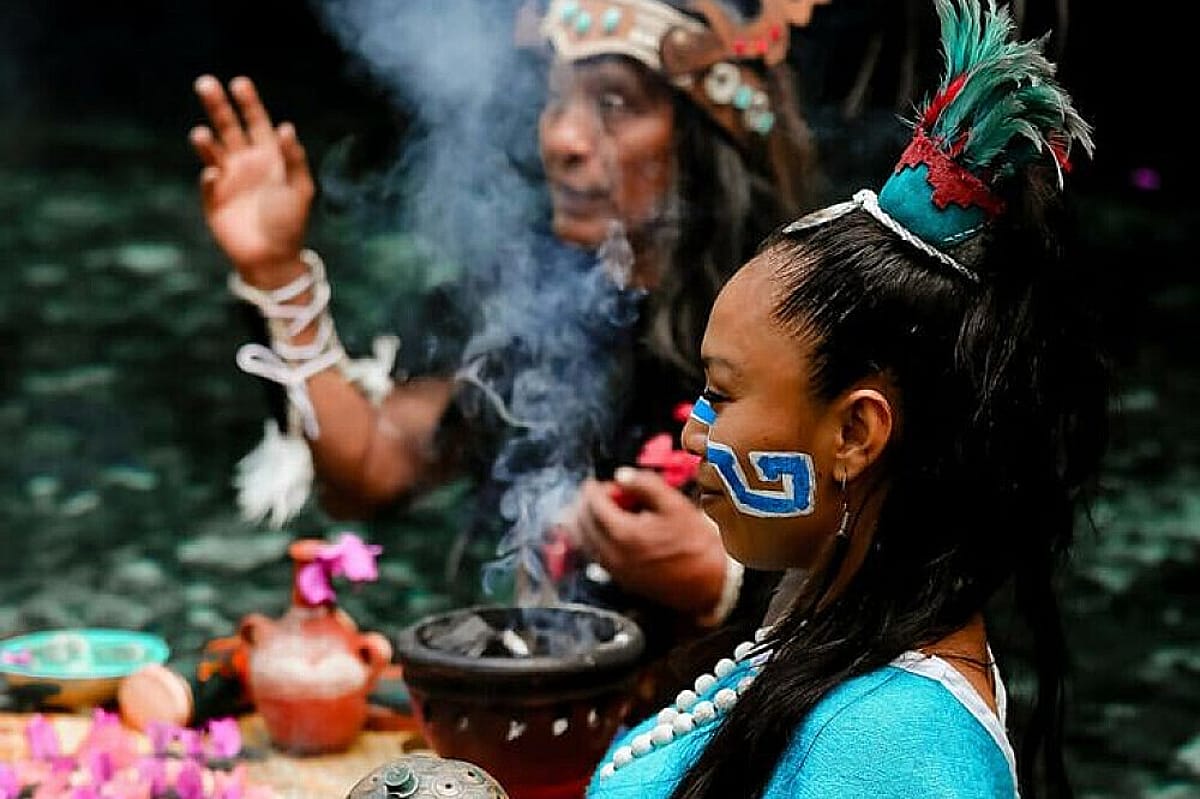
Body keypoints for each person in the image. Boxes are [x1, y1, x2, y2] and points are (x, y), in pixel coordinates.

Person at [189, 0, 825, 704]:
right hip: (529, 712)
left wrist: (722, 578)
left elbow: (885, 588)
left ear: (705, 138)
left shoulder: (803, 330)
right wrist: (276, 271)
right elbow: (370, 469)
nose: (564, 139)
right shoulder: (516, 297)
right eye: (556, 100)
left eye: (614, 104)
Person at [585, 0, 1108, 797]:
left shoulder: (899, 752)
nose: (695, 433)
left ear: (857, 432)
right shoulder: (829, 647)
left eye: (721, 393)